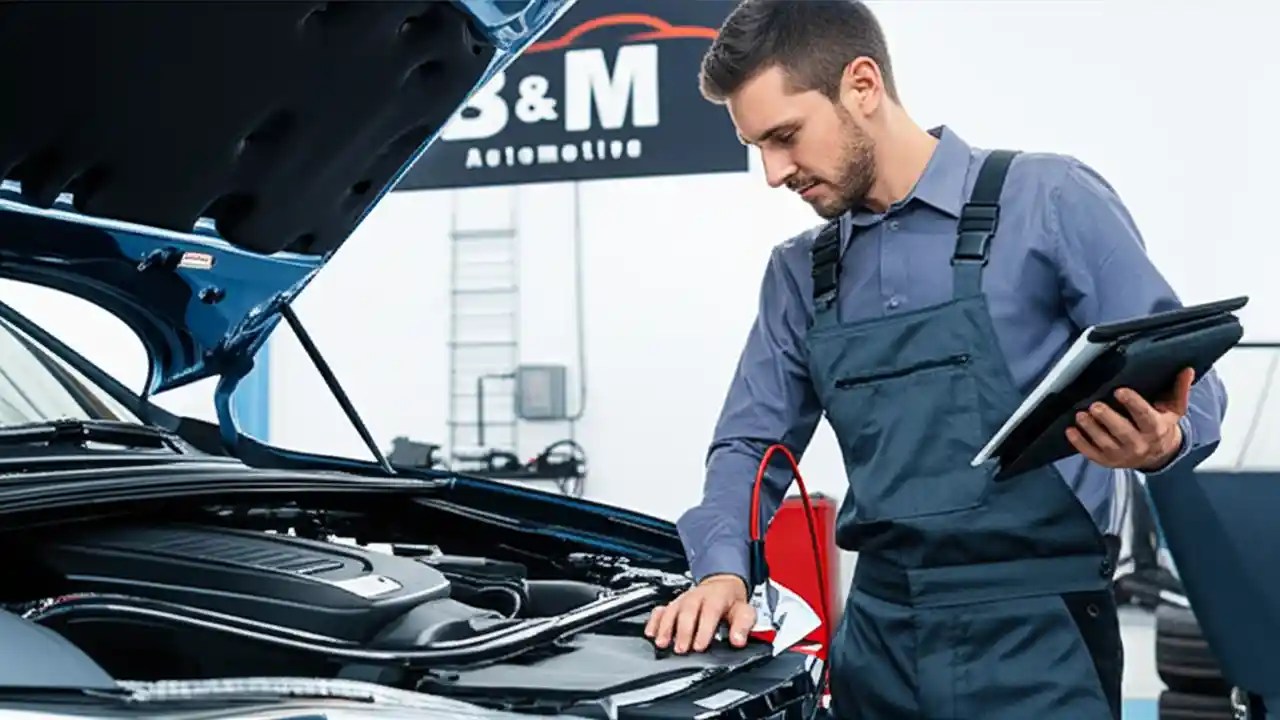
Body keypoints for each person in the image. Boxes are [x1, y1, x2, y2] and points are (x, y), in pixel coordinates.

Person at [642, 1, 1229, 717]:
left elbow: (1189, 381)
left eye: (785, 136)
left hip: (1039, 639)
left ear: (862, 85)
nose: (772, 173)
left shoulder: (1048, 200)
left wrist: (1161, 438)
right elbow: (748, 443)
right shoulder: (799, 273)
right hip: (879, 643)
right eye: (756, 146)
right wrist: (722, 571)